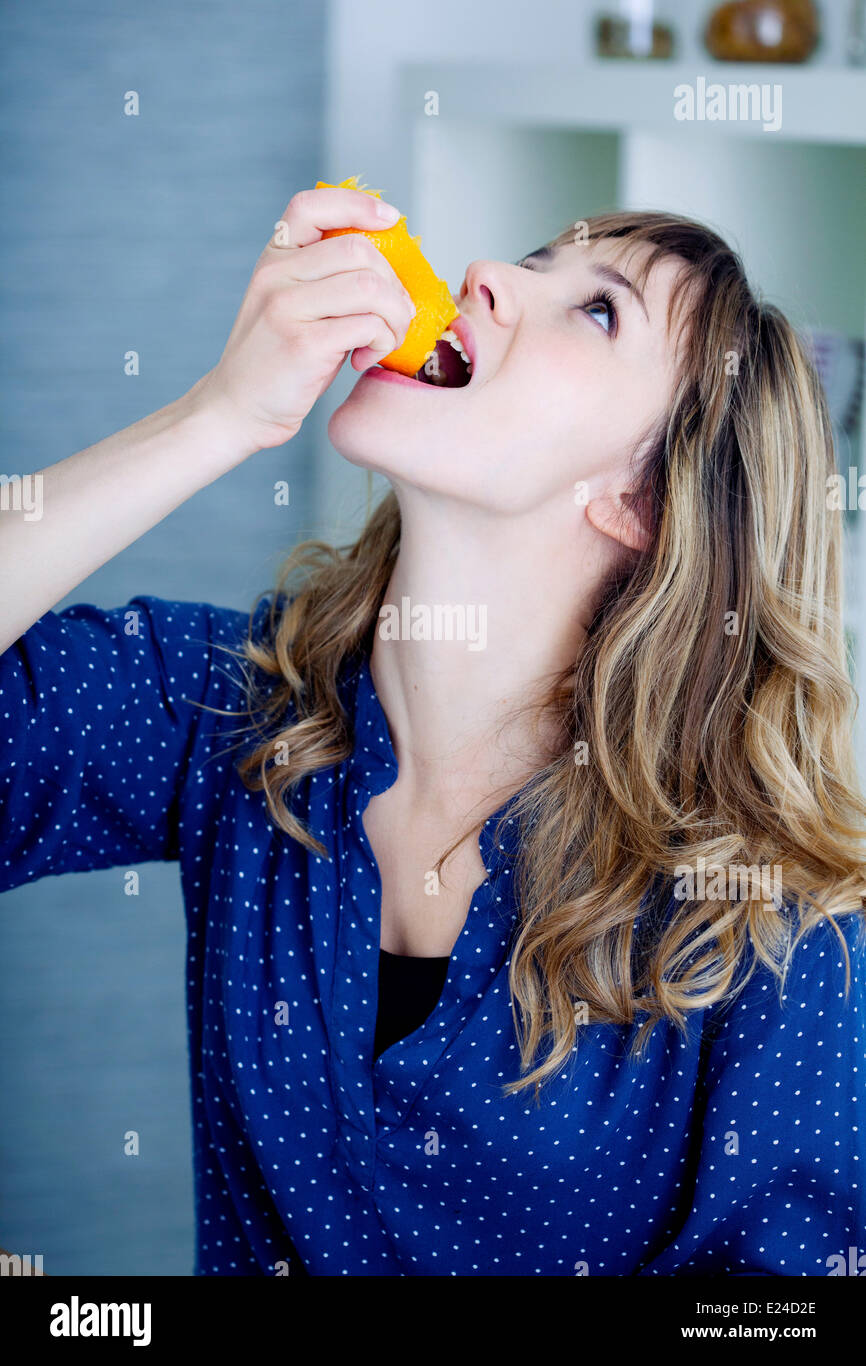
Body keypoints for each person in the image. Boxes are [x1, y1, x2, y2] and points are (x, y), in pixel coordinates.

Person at [1, 184, 864, 1277]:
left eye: (598, 310)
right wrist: (219, 416)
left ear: (639, 505)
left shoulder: (770, 934)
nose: (483, 277)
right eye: (530, 259)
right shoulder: (231, 714)